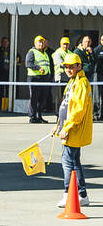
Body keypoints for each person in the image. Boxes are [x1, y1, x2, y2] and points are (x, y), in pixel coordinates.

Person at [56, 50, 92, 208]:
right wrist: (58, 125)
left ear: (79, 66)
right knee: (75, 162)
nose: (68, 69)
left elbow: (78, 110)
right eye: (66, 66)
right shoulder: (72, 82)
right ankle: (82, 195)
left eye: (71, 66)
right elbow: (65, 105)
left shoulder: (81, 83)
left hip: (74, 129)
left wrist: (67, 127)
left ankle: (67, 194)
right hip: (68, 128)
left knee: (67, 162)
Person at [25, 34, 52, 124]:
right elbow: (28, 64)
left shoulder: (45, 53)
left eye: (42, 42)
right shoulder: (32, 52)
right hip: (34, 78)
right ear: (35, 43)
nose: (41, 44)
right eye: (39, 42)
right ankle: (32, 117)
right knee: (34, 98)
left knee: (42, 99)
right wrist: (38, 68)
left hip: (45, 79)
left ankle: (39, 116)